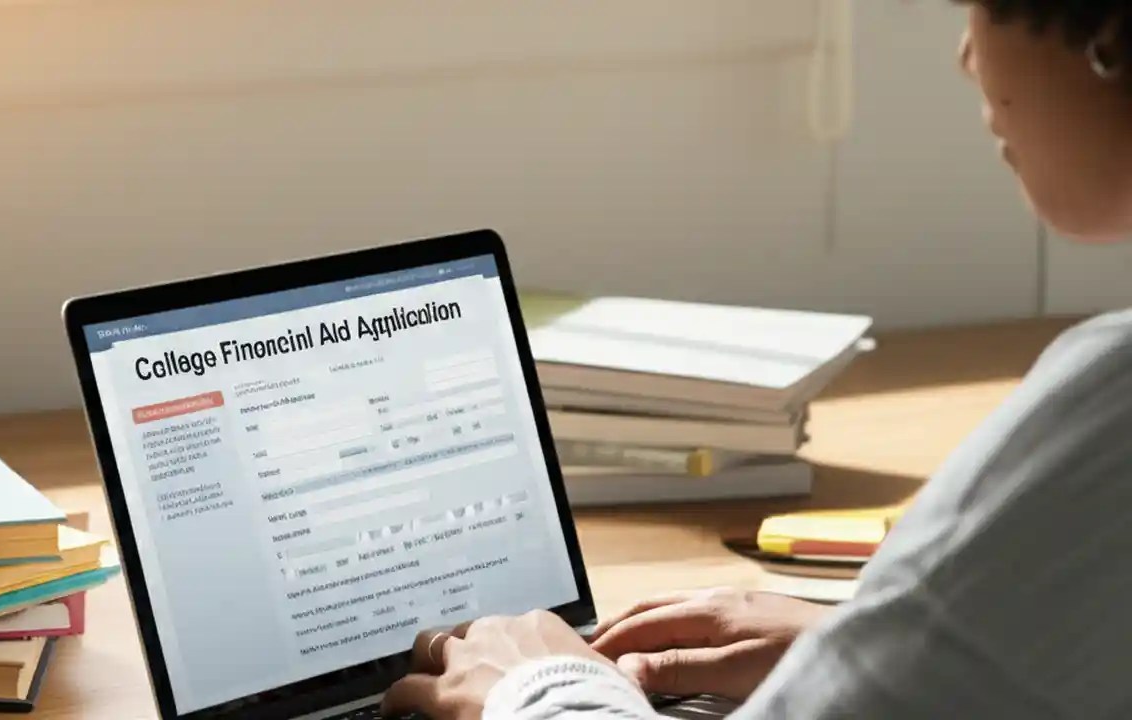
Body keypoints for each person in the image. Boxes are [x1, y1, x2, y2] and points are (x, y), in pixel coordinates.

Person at [381, 2, 1132, 719]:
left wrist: (536, 693)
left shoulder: (1111, 411)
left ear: (1109, 32)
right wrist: (877, 661)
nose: (967, 56)